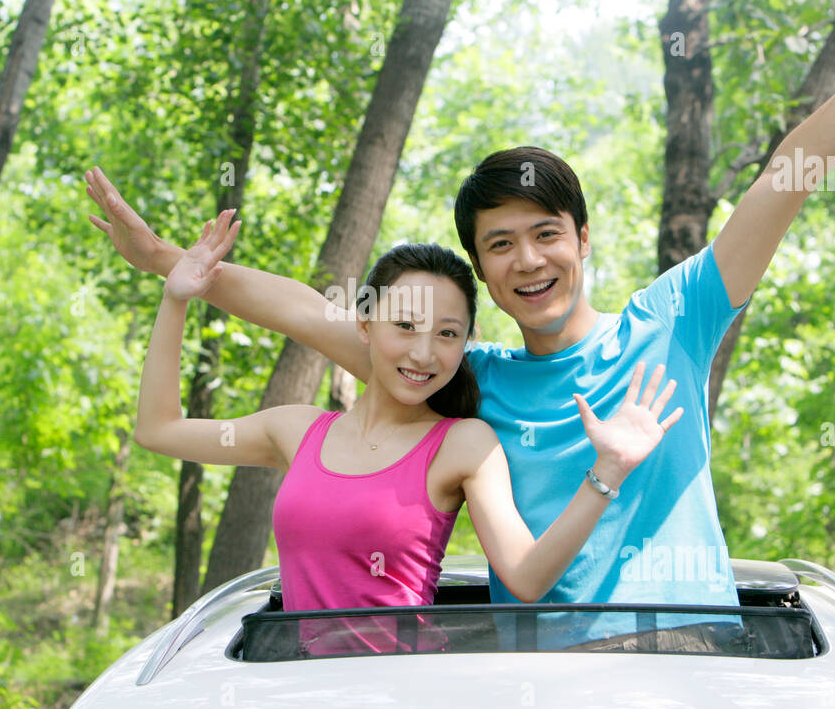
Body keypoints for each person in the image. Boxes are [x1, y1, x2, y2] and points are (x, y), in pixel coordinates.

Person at [87, 0, 835, 649]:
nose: (528, 260)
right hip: (531, 677)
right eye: (500, 246)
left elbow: (786, 175)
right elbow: (309, 313)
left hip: (690, 656)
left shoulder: (678, 317)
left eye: (544, 235)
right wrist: (173, 265)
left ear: (582, 239)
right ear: (484, 273)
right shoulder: (461, 374)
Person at [128, 208, 683, 653]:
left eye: (447, 334)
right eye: (406, 326)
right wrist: (176, 297)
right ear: (365, 324)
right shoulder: (296, 431)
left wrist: (605, 471)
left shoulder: (464, 443)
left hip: (401, 698)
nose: (423, 352)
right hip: (291, 697)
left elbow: (527, 577)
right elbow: (160, 429)